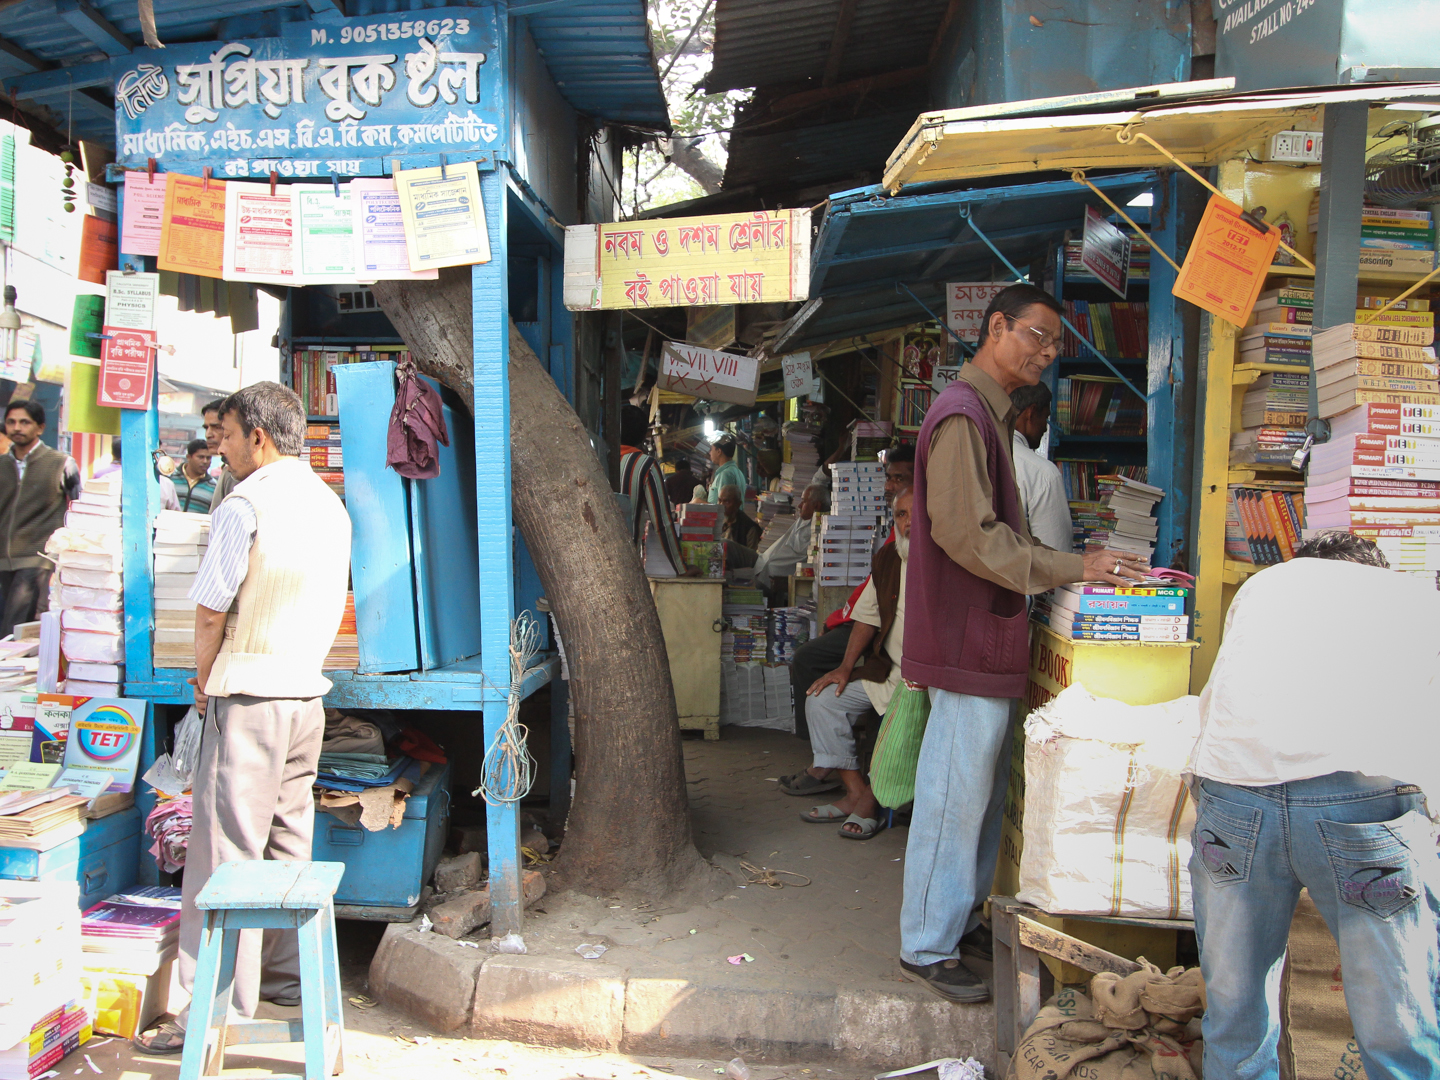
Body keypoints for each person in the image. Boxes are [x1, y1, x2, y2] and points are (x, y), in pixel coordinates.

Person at [899, 283, 1148, 1003]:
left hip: (984, 638)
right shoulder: (961, 414)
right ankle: (925, 943)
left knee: (973, 795)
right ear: (997, 327)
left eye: (1053, 344)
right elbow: (966, 534)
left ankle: (955, 920)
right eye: (1036, 336)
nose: (1045, 353)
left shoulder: (990, 417)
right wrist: (1071, 565)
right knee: (952, 796)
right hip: (965, 640)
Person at [133, 382, 352, 1055]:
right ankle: (286, 982)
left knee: (224, 853)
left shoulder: (244, 504)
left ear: (257, 435)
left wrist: (202, 682)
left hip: (250, 693)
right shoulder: (328, 503)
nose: (220, 450)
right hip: (305, 699)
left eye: (225, 436)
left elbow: (208, 610)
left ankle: (213, 1010)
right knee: (288, 841)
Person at [1187, 531, 1440, 1079]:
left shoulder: (1262, 587)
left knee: (1235, 1011)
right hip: (1361, 801)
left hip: (1235, 798)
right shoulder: (1415, 597)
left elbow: (1218, 704)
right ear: (1376, 568)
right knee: (1394, 1017)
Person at [780, 444, 914, 758]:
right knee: (812, 664)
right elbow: (870, 603)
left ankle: (834, 764)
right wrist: (844, 657)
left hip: (904, 660)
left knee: (811, 660)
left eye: (898, 478)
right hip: (877, 631)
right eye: (888, 478)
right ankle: (821, 754)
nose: (889, 486)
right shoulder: (891, 546)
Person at [798, 488, 913, 840]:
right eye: (901, 516)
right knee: (822, 700)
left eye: (915, 515)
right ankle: (855, 792)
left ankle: (869, 804)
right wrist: (846, 667)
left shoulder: (945, 562)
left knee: (898, 729)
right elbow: (865, 617)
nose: (908, 524)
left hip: (923, 681)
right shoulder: (889, 559)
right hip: (888, 671)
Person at [0, 399, 81, 637]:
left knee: (16, 624)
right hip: (3, 557)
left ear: (40, 428)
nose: (17, 427)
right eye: (11, 422)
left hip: (37, 556)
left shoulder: (61, 463)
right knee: (8, 623)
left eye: (25, 422)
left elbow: (77, 506)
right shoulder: (2, 464)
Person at [618, 407, 685, 577]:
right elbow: (662, 522)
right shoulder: (645, 465)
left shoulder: (596, 458)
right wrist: (681, 568)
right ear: (643, 435)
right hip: (625, 563)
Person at [1008, 383, 1073, 552]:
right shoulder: (1043, 473)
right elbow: (1056, 556)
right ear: (1031, 412)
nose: (1045, 428)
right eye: (1045, 417)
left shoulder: (976, 454)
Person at [754, 484, 826, 591]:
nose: (800, 506)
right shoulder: (803, 519)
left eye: (804, 502)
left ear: (816, 506)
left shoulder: (817, 530)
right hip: (763, 562)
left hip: (772, 572)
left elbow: (800, 549)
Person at [203, 397, 237, 512]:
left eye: (217, 427)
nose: (208, 435)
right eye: (206, 428)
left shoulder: (238, 473)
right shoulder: (227, 469)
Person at [174, 438, 216, 513]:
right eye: (200, 457)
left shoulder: (213, 487)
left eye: (208, 458)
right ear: (189, 457)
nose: (205, 461)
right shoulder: (171, 478)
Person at [705, 433, 746, 503]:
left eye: (711, 449)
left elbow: (723, 507)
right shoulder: (737, 472)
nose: (710, 453)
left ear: (719, 451)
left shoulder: (725, 474)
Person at [718, 484, 760, 550]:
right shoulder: (716, 521)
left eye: (727, 502)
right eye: (719, 500)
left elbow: (752, 557)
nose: (721, 505)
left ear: (738, 504)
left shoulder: (749, 528)